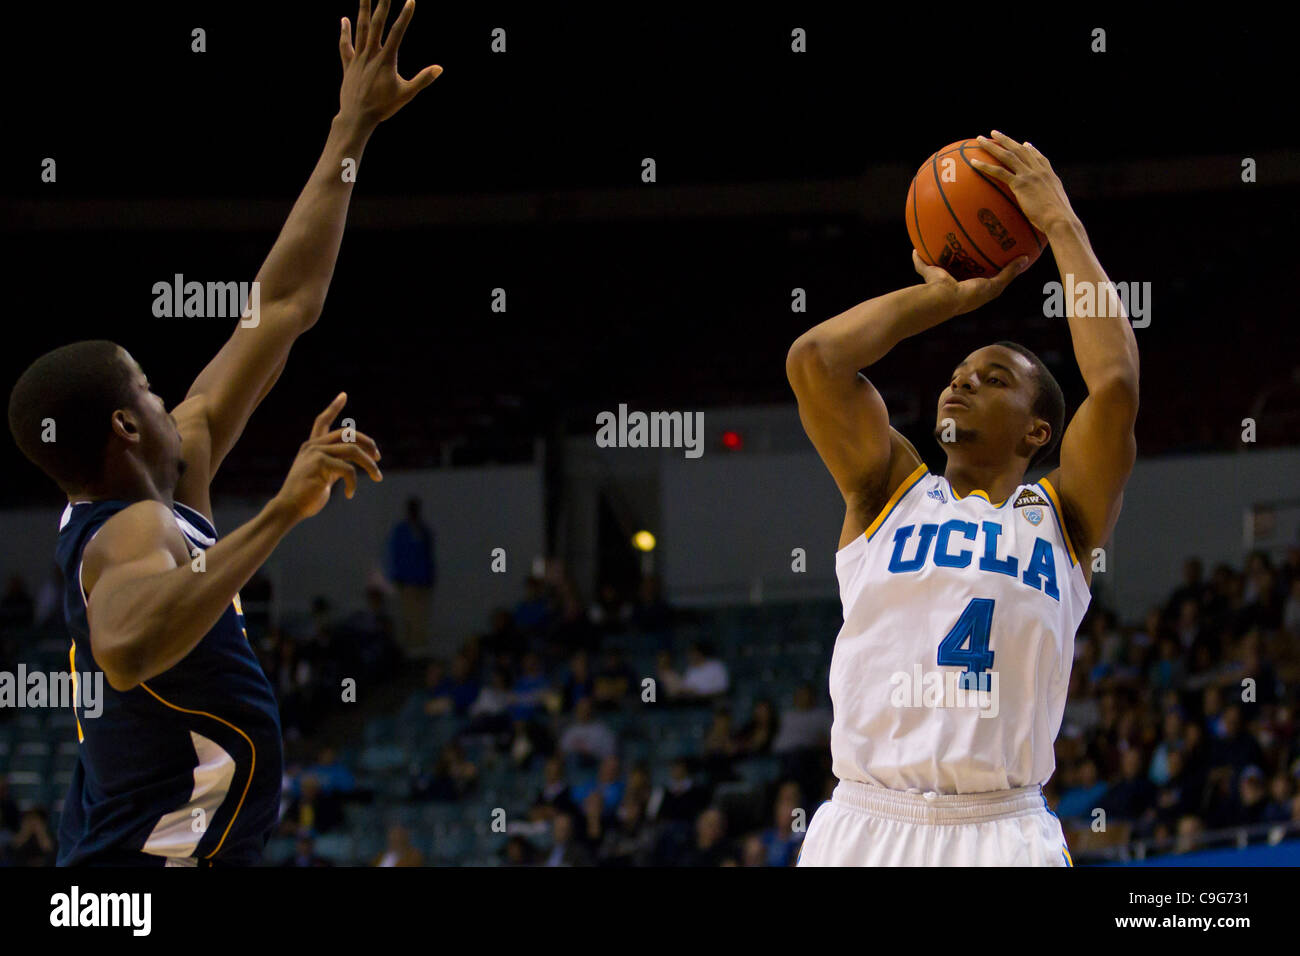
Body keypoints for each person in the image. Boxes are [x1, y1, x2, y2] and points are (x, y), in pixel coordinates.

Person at [5, 0, 440, 867]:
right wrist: (281, 513)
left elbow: (280, 306)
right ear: (127, 425)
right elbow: (124, 649)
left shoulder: (171, 476)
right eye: (153, 388)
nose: (179, 399)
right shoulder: (127, 532)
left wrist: (349, 130)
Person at [787, 132, 1139, 866]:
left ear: (1039, 430)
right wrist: (941, 299)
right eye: (960, 371)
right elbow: (816, 361)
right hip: (865, 821)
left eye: (994, 378)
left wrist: (1062, 225)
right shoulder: (889, 491)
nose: (963, 381)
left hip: (1003, 831)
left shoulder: (1061, 523)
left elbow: (1115, 387)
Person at [386, 497, 436, 658]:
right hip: (407, 581)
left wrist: (430, 576)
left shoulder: (423, 530)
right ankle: (409, 649)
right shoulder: (401, 531)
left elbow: (428, 555)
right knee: (408, 615)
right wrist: (398, 577)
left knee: (421, 616)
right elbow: (396, 554)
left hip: (422, 581)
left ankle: (419, 649)